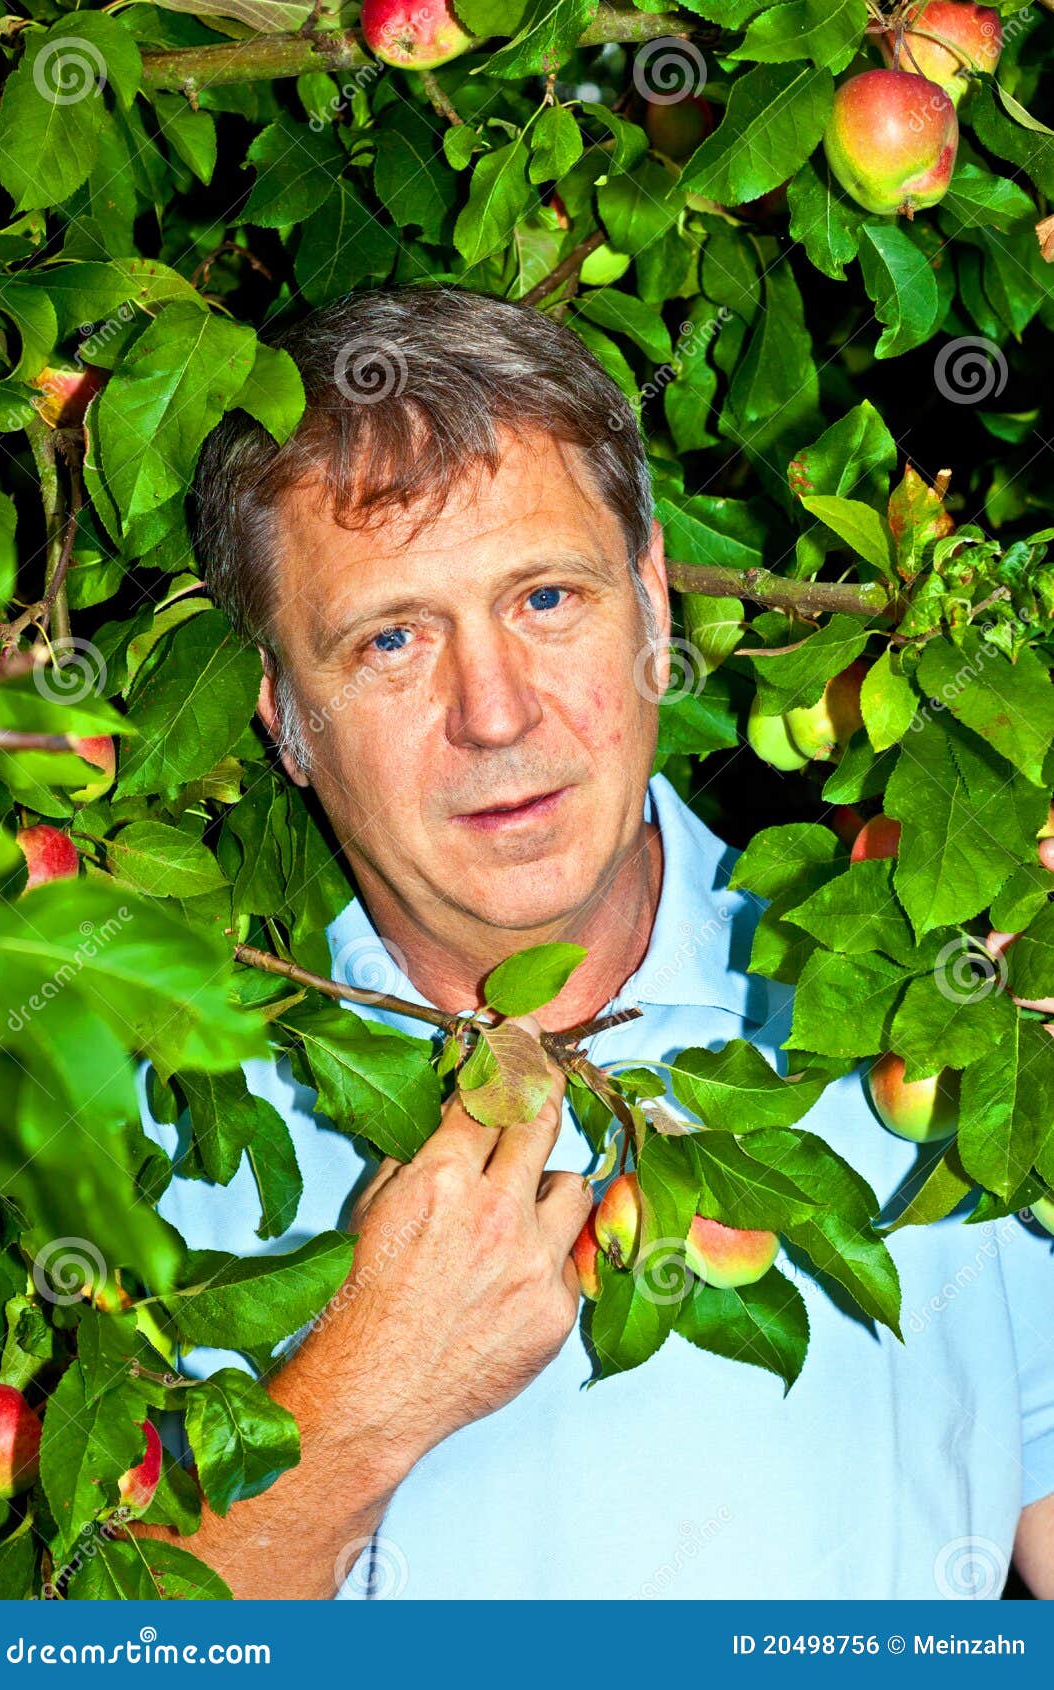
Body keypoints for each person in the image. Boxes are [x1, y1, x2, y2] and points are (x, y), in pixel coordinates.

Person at [135, 286, 1054, 1601]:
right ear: (284, 714)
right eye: (393, 637)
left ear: (654, 606)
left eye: (548, 598)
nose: (496, 711)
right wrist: (360, 1405)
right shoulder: (148, 1132)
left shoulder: (948, 1015)